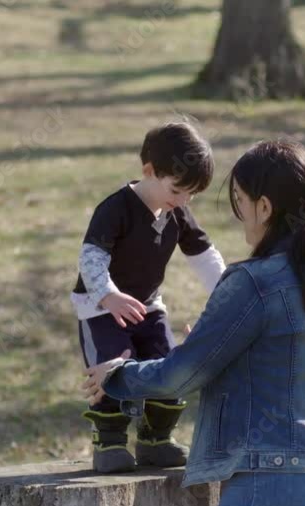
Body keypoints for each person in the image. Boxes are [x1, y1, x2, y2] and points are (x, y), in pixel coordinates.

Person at [81, 139, 305, 506]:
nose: (239, 217)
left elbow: (183, 375)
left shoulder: (253, 281)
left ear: (264, 207)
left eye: (239, 202)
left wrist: (118, 375)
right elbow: (285, 360)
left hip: (270, 480)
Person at [72, 121, 226, 473]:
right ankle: (109, 443)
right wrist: (108, 295)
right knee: (112, 368)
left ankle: (156, 439)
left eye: (191, 195)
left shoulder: (177, 211)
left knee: (168, 365)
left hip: (147, 306)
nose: (184, 201)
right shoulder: (116, 209)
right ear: (149, 171)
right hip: (100, 309)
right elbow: (91, 256)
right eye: (177, 190)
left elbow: (204, 256)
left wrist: (227, 295)